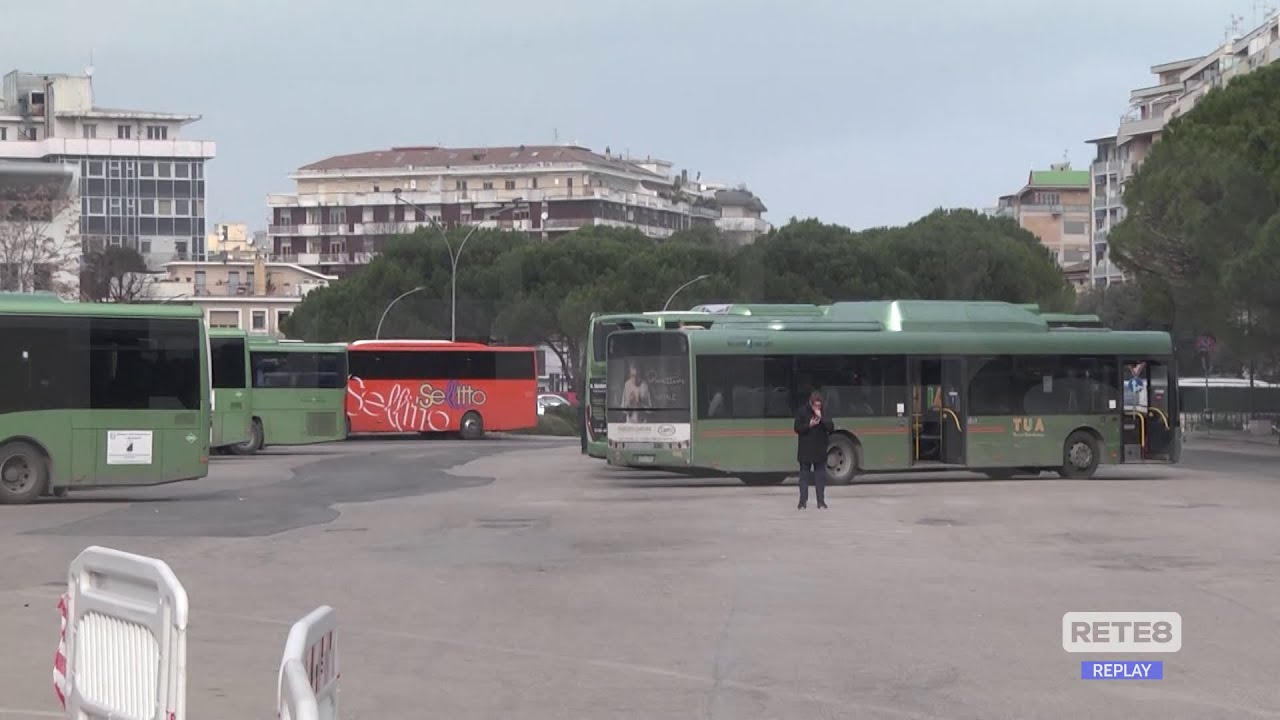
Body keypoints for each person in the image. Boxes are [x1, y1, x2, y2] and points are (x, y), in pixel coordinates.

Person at [793, 390, 834, 509]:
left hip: (820, 449)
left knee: (820, 477)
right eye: (815, 405)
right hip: (805, 449)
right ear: (811, 403)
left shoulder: (824, 412)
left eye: (819, 405)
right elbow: (797, 428)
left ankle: (821, 501)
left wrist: (822, 418)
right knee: (804, 477)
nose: (817, 407)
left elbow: (831, 428)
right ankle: (802, 502)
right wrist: (809, 425)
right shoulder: (802, 411)